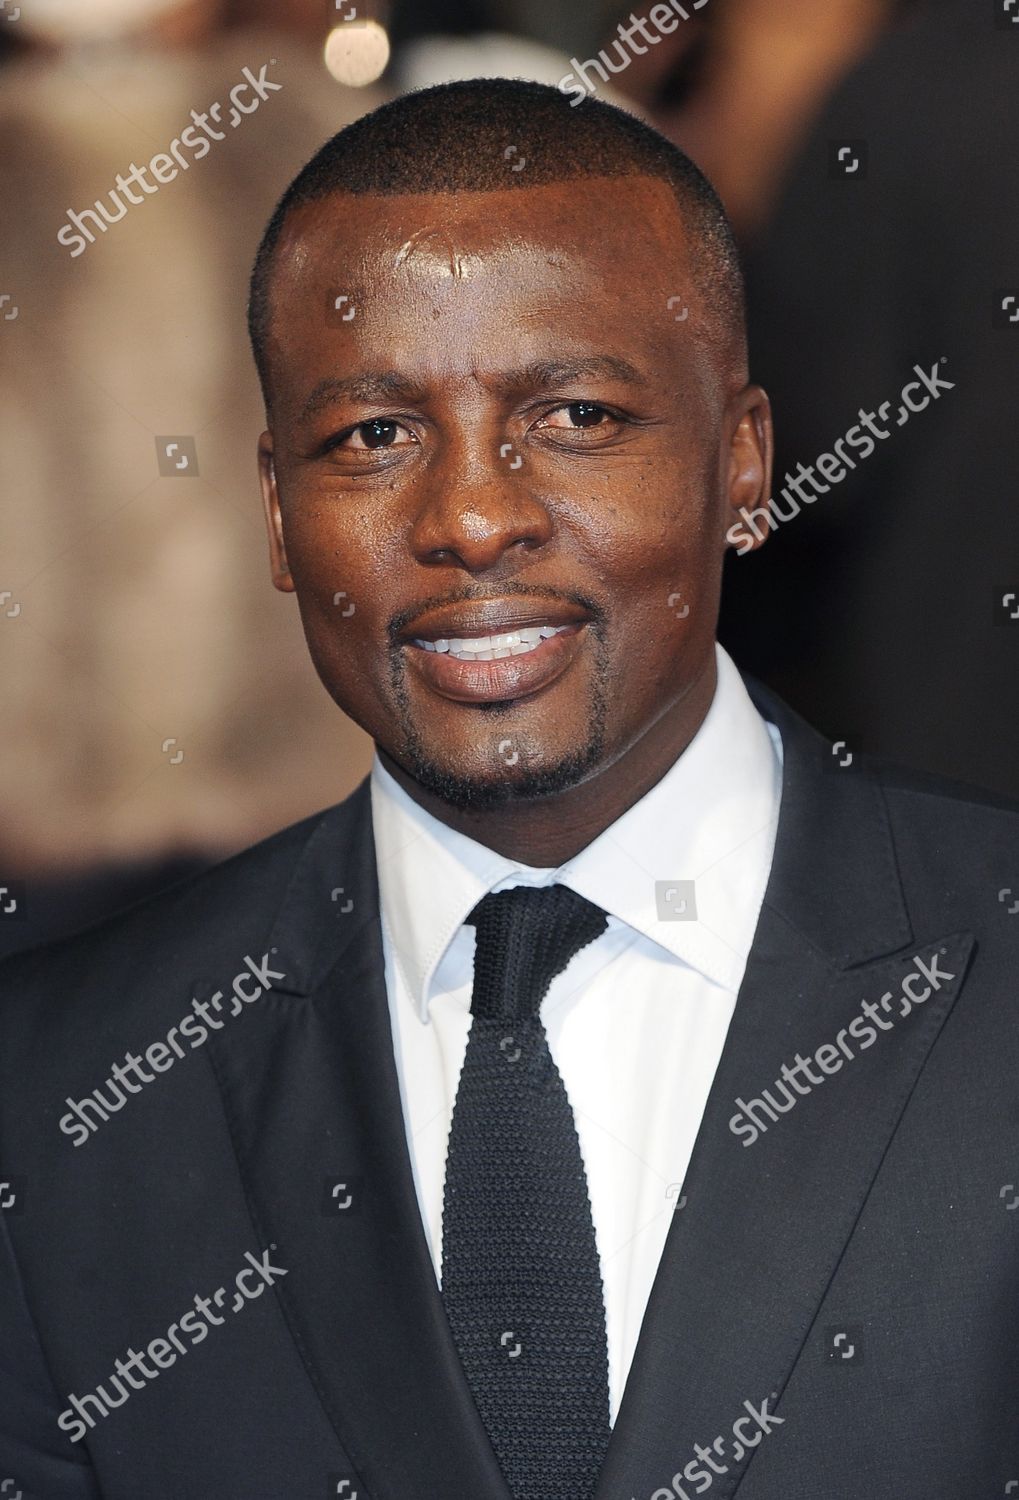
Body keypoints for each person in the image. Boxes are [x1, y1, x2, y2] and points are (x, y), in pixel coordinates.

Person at [0, 78, 1015, 1500]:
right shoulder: (56, 1095)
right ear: (277, 510)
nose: (473, 517)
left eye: (581, 414)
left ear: (744, 460)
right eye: (372, 438)